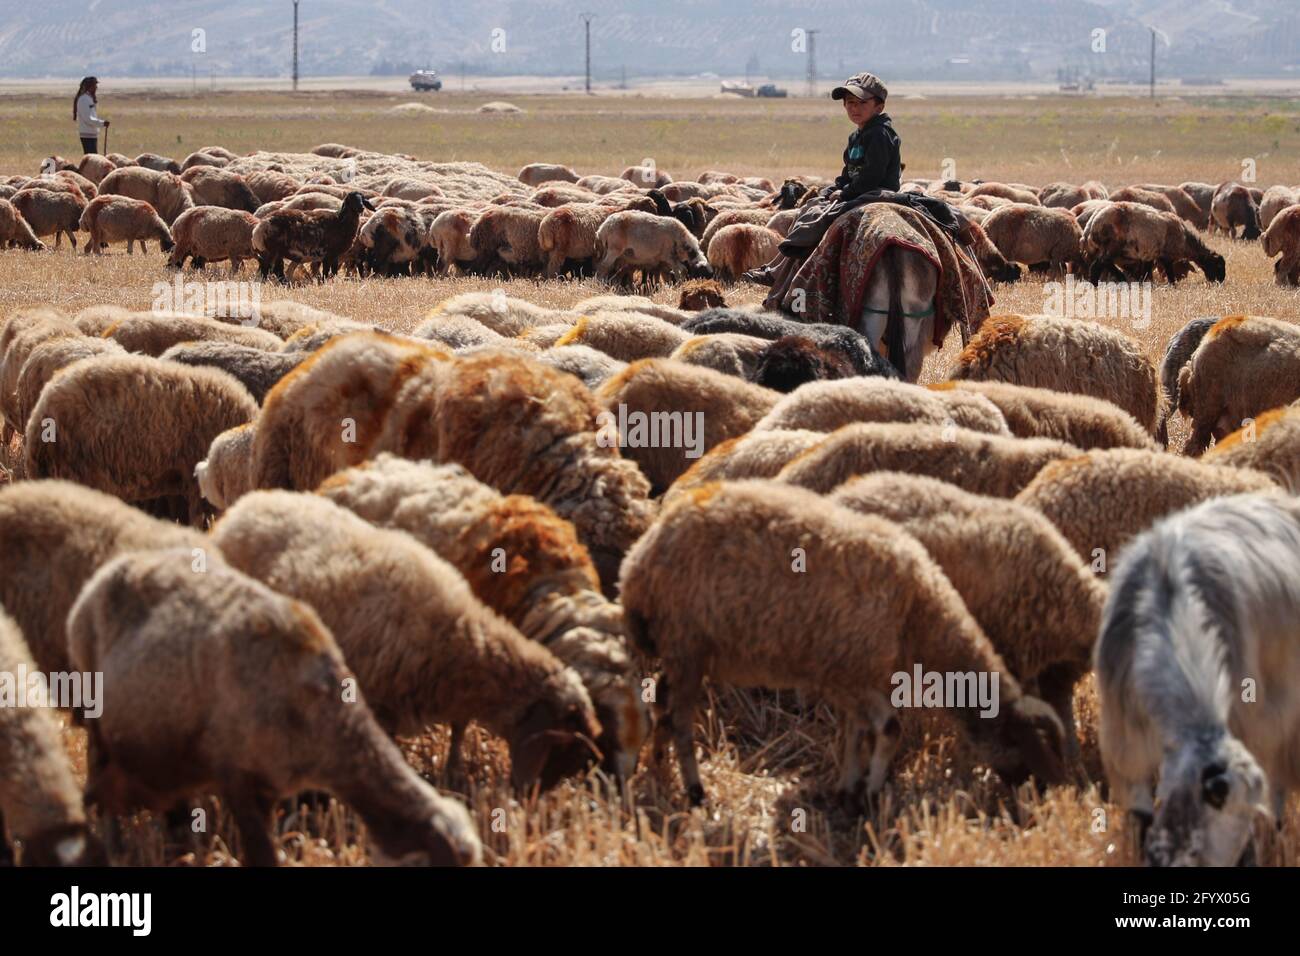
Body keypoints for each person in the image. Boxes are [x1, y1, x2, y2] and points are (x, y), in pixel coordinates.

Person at [745, 71, 960, 296]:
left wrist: (845, 192)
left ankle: (780, 271)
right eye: (849, 103)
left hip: (878, 192)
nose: (854, 108)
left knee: (822, 217)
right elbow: (848, 173)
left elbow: (872, 176)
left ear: (879, 106)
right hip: (858, 191)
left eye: (861, 103)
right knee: (811, 207)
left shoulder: (880, 134)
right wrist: (834, 188)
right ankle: (778, 268)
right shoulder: (857, 136)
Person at [74, 76, 109, 155]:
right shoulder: (84, 99)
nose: (96, 87)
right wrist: (102, 123)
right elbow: (88, 118)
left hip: (91, 133)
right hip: (87, 133)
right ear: (89, 86)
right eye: (94, 85)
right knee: (92, 158)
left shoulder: (89, 98)